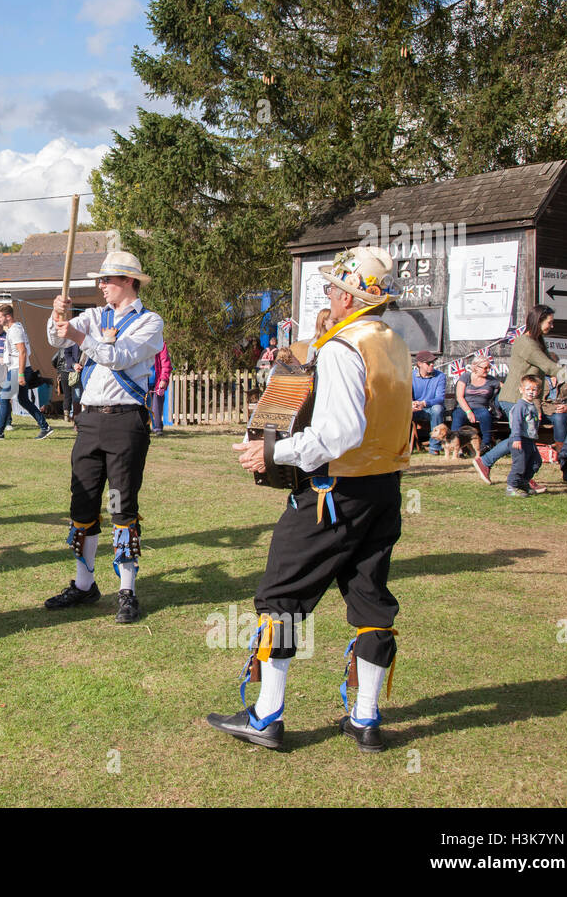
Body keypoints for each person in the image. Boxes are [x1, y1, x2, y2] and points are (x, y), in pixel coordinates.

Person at [209, 246, 408, 753]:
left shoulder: (345, 346)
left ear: (351, 296)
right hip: (383, 489)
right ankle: (365, 720)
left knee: (281, 596)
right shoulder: (392, 342)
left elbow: (337, 433)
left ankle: (266, 716)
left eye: (335, 287)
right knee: (370, 599)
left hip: (332, 491)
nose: (329, 294)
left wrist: (272, 450)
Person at [45, 252, 164, 624]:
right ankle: (84, 585)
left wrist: (79, 336)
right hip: (90, 421)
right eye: (100, 280)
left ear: (129, 282)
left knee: (122, 505)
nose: (101, 285)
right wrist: (57, 315)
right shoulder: (95, 316)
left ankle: (127, 590)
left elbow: (121, 356)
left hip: (127, 421)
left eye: (108, 279)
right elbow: (55, 339)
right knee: (82, 502)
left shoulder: (150, 322)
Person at [473, 304, 567, 485]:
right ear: (538, 321)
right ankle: (490, 463)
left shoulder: (537, 341)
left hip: (527, 398)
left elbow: (550, 365)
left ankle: (523, 477)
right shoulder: (527, 344)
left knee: (525, 438)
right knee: (520, 438)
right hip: (514, 398)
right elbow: (550, 367)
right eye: (549, 322)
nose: (552, 326)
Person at [0, 304, 53, 441]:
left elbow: (22, 351)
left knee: (3, 398)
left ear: (8, 317)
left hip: (17, 370)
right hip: (18, 368)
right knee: (23, 400)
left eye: (0, 317)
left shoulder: (15, 330)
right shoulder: (15, 328)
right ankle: (45, 427)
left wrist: (20, 374)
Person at [449, 355, 499, 453]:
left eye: (489, 367)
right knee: (457, 415)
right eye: (485, 368)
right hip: (464, 407)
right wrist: (468, 412)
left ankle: (486, 444)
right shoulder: (466, 377)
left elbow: (505, 388)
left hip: (481, 407)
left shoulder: (491, 380)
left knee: (485, 415)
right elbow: (460, 397)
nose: (488, 370)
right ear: (476, 367)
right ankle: (456, 447)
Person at [505, 375, 545, 497]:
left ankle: (523, 482)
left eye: (534, 390)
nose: (531, 392)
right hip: (519, 439)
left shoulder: (531, 405)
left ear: (538, 392)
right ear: (521, 389)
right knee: (519, 464)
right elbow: (516, 423)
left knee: (536, 462)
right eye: (528, 389)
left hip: (529, 440)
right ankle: (511, 487)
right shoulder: (520, 406)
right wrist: (516, 437)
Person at [410, 350, 447, 454]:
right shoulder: (410, 376)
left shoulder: (440, 376)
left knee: (437, 409)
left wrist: (424, 403)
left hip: (430, 408)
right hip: (415, 408)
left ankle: (435, 447)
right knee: (400, 409)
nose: (432, 365)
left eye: (433, 363)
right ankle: (400, 446)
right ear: (419, 364)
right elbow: (405, 394)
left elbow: (440, 398)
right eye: (428, 363)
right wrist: (412, 403)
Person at [148, 344, 172, 434]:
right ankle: (145, 427)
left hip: (157, 382)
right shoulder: (141, 342)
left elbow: (166, 364)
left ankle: (157, 427)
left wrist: (164, 379)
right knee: (143, 407)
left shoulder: (161, 345)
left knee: (156, 406)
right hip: (143, 381)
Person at [54, 342, 81, 421]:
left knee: (67, 395)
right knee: (76, 394)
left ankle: (66, 415)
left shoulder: (62, 348)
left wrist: (59, 372)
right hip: (73, 371)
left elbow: (54, 360)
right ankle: (74, 415)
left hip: (63, 372)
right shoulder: (73, 347)